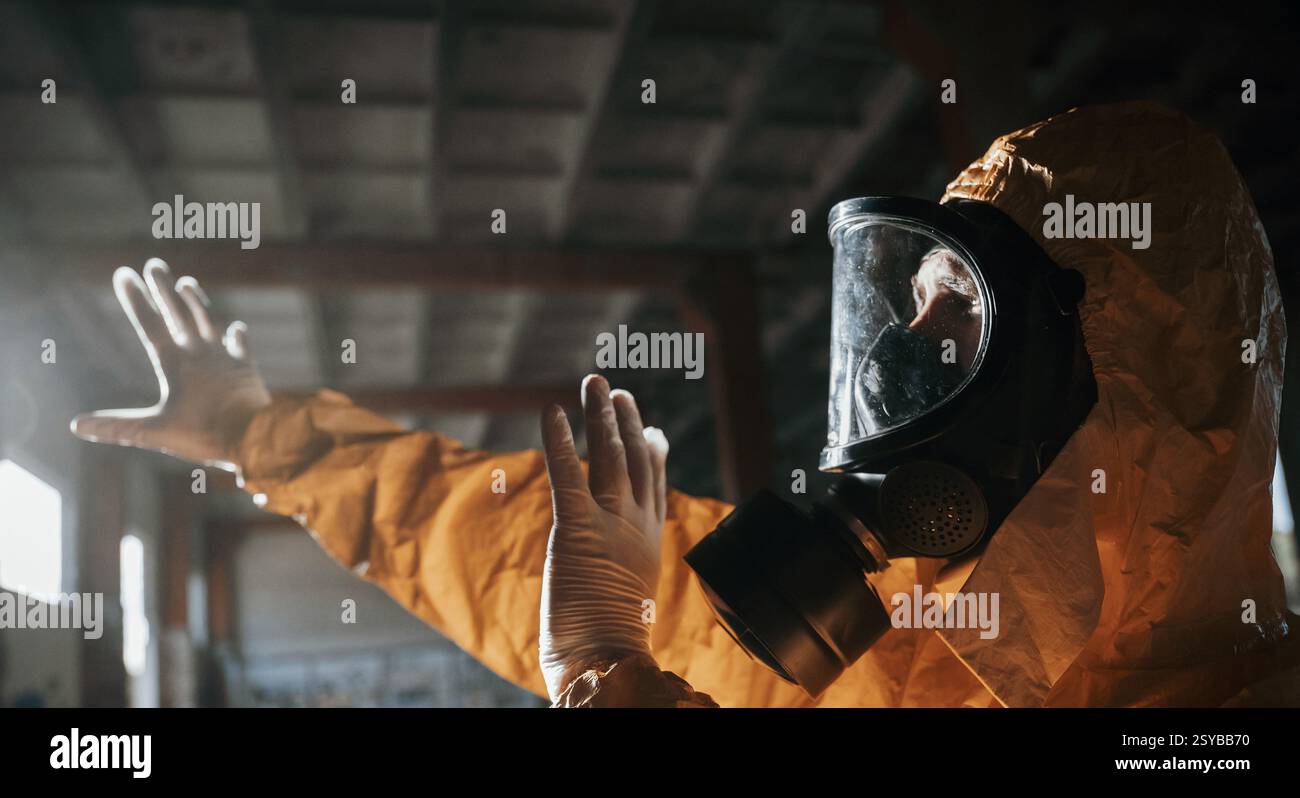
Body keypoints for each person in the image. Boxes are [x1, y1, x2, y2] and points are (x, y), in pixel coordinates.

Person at [74, 102, 1300, 707]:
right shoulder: (915, 652)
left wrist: (608, 674)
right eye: (913, 306)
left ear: (1135, 395)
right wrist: (263, 435)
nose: (900, 357)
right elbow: (509, 552)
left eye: (962, 318)